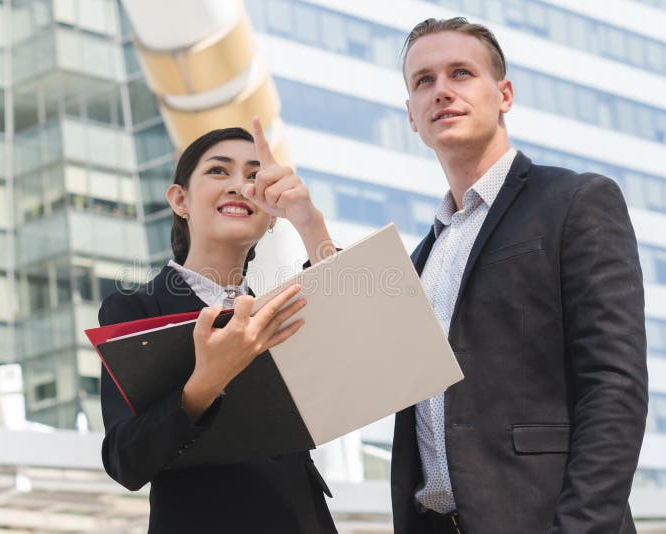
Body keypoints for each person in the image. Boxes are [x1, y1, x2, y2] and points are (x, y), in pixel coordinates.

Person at [390, 17, 648, 534]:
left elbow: (614, 385)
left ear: (504, 94)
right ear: (412, 117)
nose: (441, 91)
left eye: (461, 73)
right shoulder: (421, 257)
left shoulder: (575, 202)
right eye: (424, 81)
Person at [99, 119, 338, 534]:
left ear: (270, 217)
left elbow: (364, 328)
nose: (238, 185)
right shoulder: (136, 310)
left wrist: (308, 220)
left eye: (253, 176)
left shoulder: (284, 309)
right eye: (218, 170)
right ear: (180, 200)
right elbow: (125, 460)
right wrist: (205, 383)